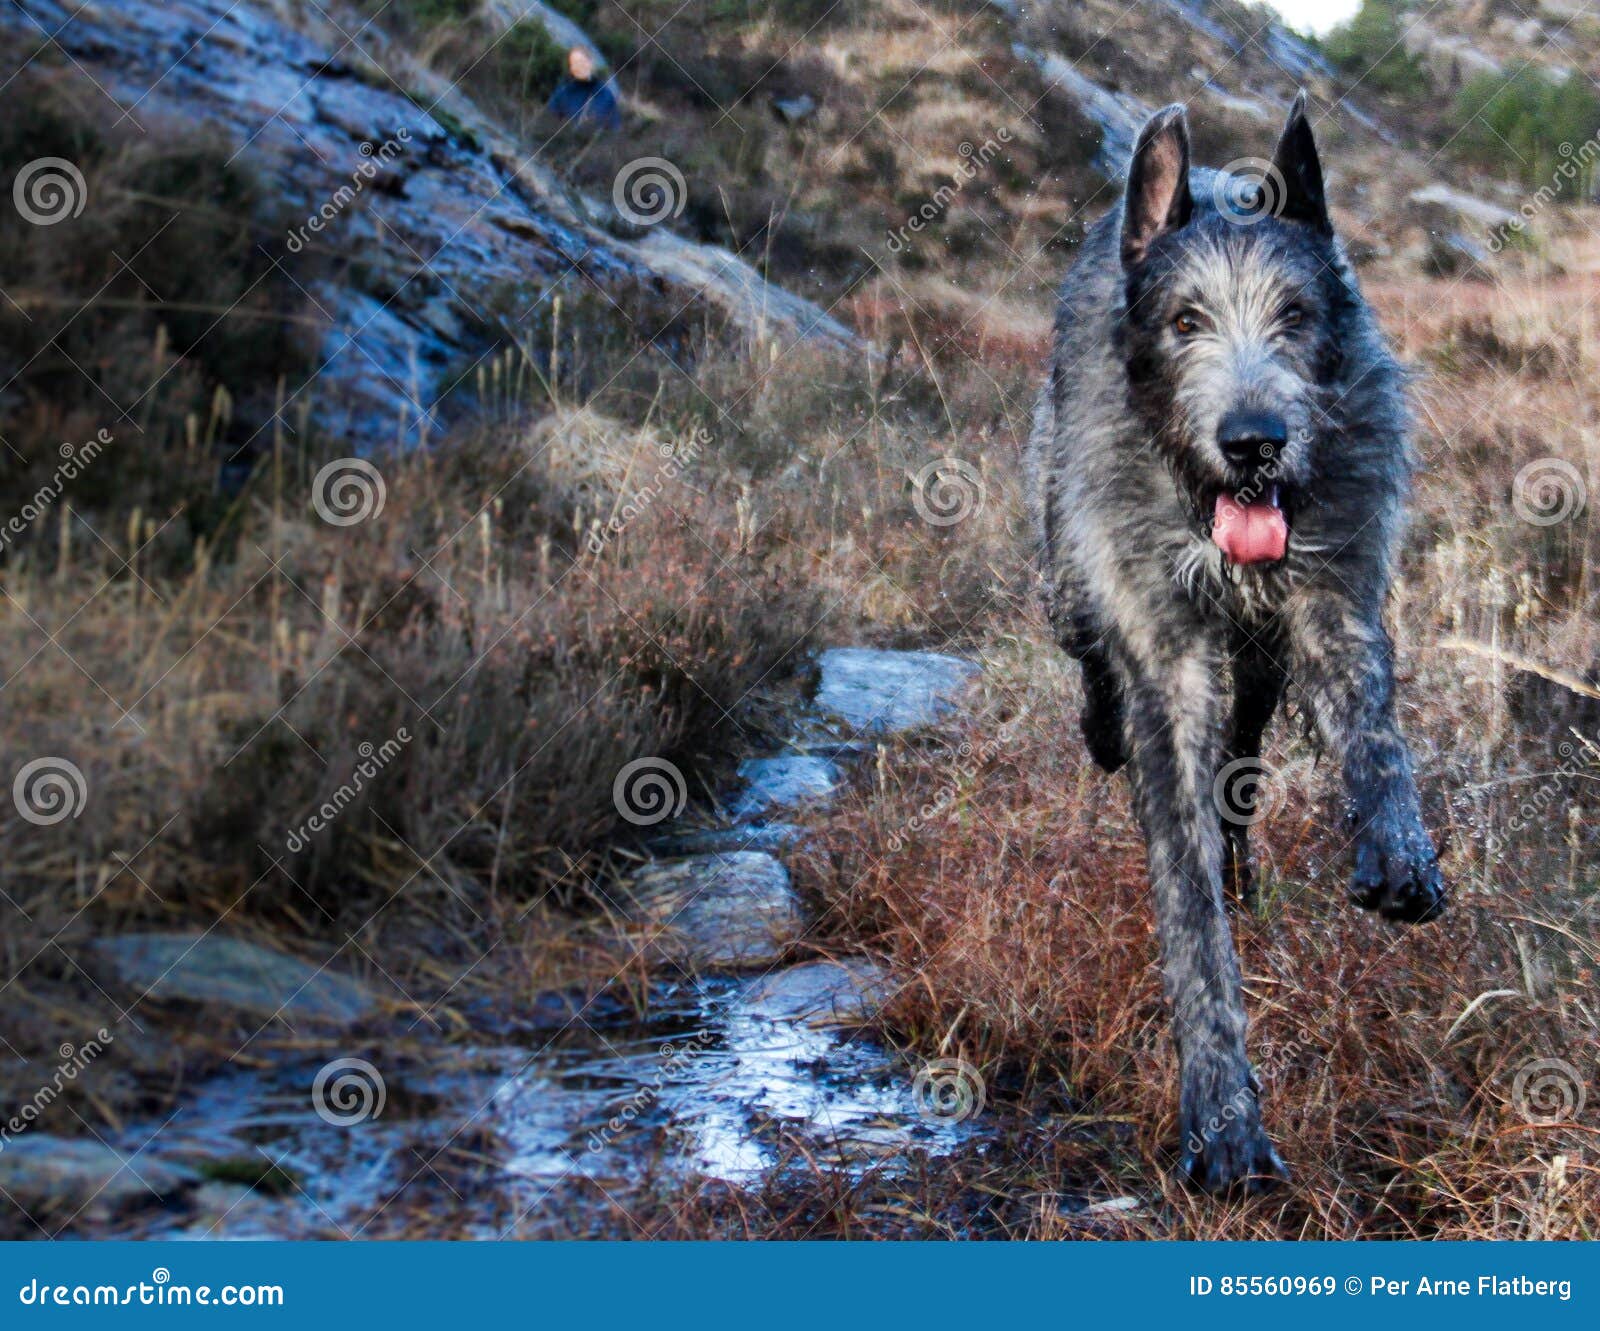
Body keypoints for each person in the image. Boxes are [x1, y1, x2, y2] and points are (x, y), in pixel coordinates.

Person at [546, 47, 621, 130]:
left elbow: (614, 129)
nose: (579, 66)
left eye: (582, 61)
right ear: (571, 68)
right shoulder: (562, 93)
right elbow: (549, 124)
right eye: (574, 63)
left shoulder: (605, 94)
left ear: (591, 63)